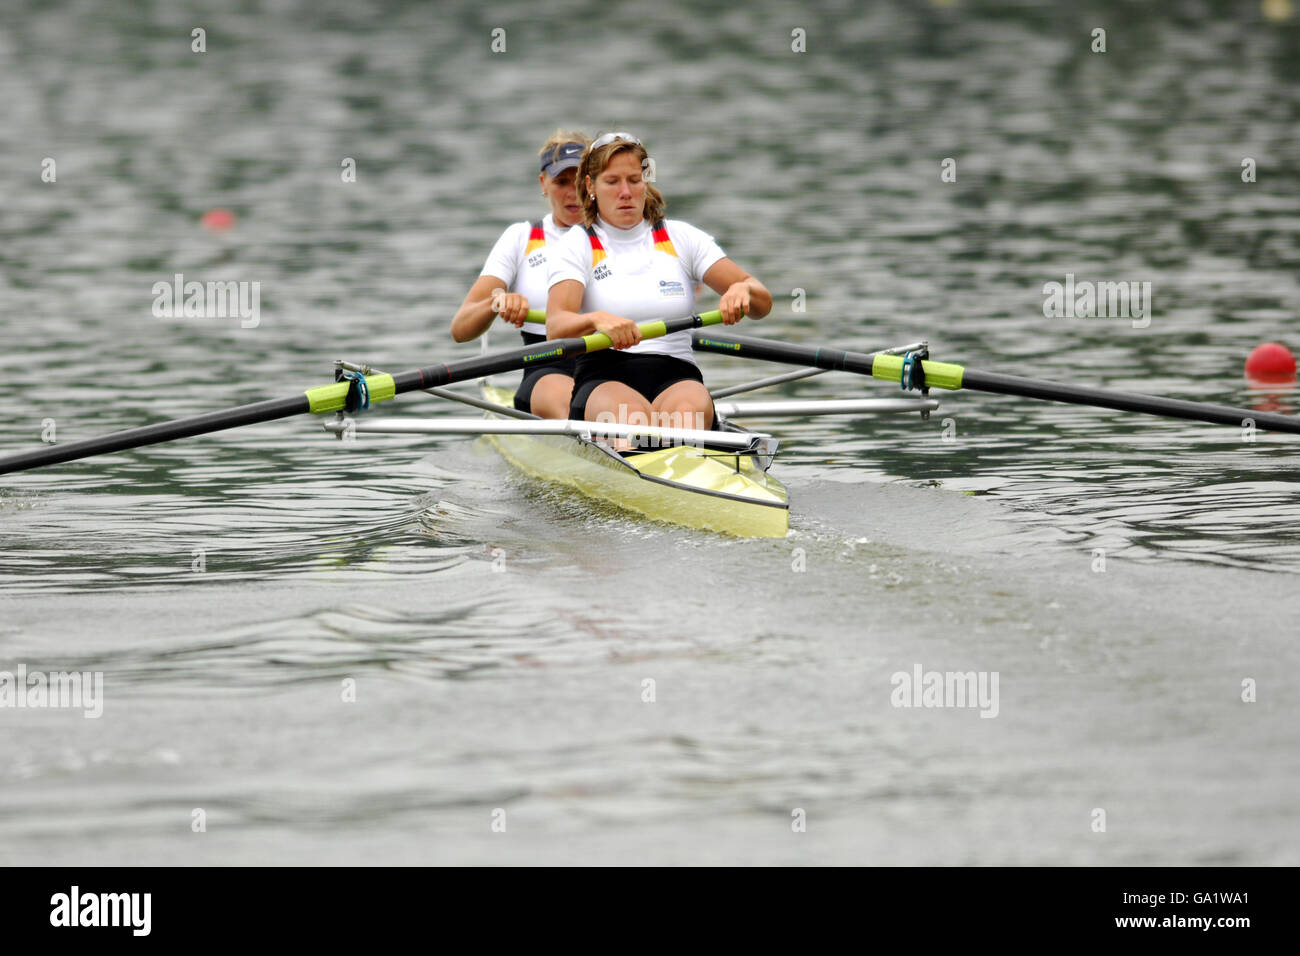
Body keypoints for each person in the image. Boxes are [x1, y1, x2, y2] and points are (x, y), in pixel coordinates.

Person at [545, 131, 771, 431]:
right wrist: (596, 320)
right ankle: (645, 450)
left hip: (677, 376)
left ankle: (677, 451)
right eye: (612, 182)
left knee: (686, 415)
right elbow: (556, 326)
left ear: (646, 181)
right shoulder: (576, 245)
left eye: (634, 180)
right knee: (631, 421)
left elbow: (762, 304)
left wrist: (743, 290)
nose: (625, 192)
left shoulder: (682, 238)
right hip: (603, 377)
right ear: (590, 186)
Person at [450, 129, 592, 417]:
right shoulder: (522, 238)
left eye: (580, 181)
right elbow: (461, 329)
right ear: (543, 184)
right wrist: (496, 303)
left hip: (615, 365)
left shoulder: (620, 236)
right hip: (549, 368)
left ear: (594, 183)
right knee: (579, 408)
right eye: (561, 182)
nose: (572, 192)